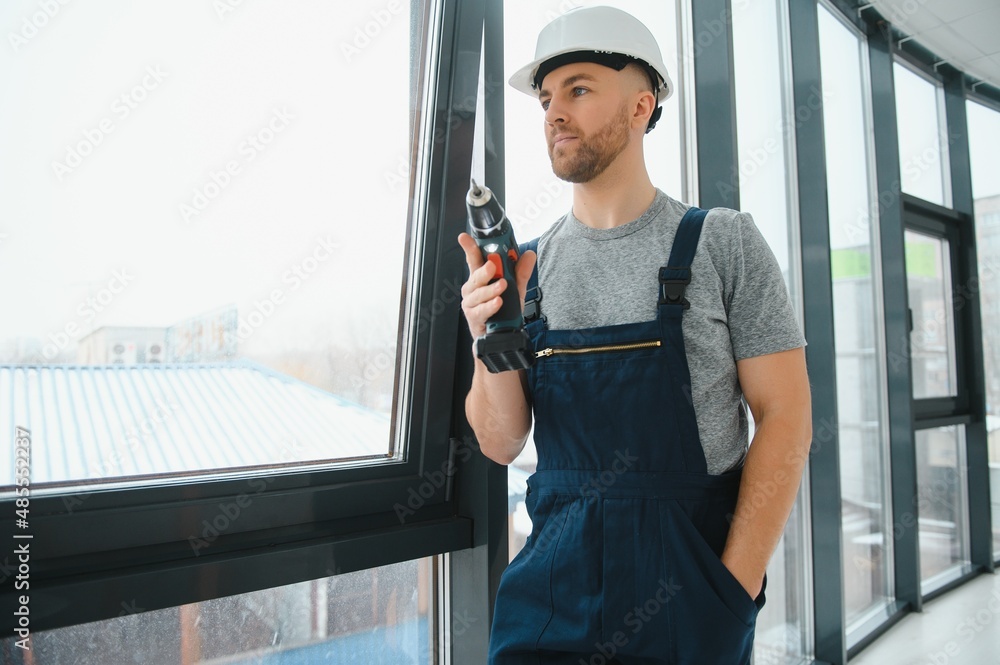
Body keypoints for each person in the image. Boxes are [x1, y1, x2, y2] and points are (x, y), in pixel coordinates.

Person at [458, 6, 812, 664]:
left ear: (642, 105)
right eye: (545, 99)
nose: (555, 113)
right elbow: (503, 440)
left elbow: (786, 415)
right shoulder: (525, 269)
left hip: (689, 591)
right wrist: (489, 336)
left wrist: (736, 582)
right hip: (549, 596)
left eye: (580, 88)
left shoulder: (723, 244)